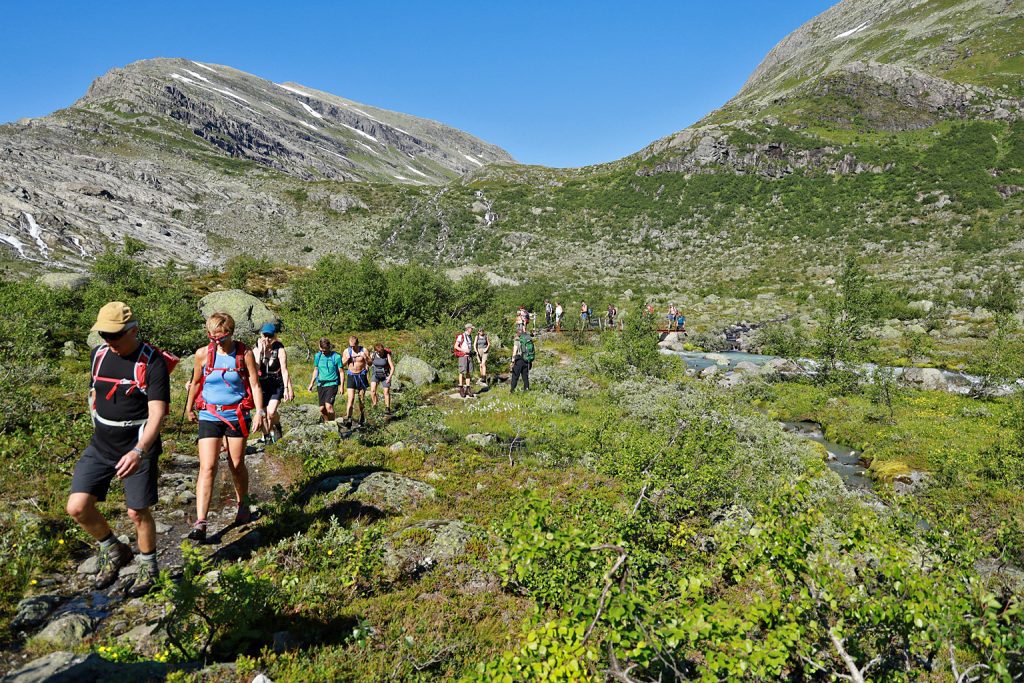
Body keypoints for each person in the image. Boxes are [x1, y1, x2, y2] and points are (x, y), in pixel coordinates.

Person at [67, 302, 171, 597]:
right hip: (101, 445)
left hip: (138, 447)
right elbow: (95, 394)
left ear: (133, 330)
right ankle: (114, 550)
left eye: (114, 335)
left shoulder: (152, 362)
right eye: (104, 335)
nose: (109, 341)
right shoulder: (98, 355)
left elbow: (157, 415)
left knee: (137, 512)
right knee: (77, 507)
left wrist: (139, 451)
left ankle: (148, 569)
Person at [184, 312, 264, 542]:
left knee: (236, 463)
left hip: (236, 414)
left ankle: (243, 503)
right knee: (207, 466)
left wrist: (259, 411)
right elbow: (197, 382)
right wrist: (190, 407)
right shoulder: (202, 354)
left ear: (230, 333)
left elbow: (255, 384)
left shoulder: (244, 353)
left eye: (220, 337)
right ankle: (201, 522)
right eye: (212, 337)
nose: (216, 341)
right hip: (209, 414)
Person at [254, 323, 292, 443]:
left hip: (276, 383)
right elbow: (255, 369)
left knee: (271, 412)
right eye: (265, 335)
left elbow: (285, 370)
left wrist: (287, 388)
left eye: (270, 336)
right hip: (262, 384)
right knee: (263, 413)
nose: (267, 339)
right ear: (261, 335)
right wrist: (261, 352)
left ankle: (277, 426)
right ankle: (267, 438)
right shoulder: (255, 349)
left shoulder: (279, 349)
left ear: (274, 336)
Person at [308, 338, 344, 423]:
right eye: (322, 350)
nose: (323, 352)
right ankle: (327, 423)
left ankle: (333, 426)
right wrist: (311, 383)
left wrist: (342, 386)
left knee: (329, 407)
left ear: (329, 347)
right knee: (322, 409)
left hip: (332, 383)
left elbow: (341, 372)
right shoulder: (318, 356)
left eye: (325, 350)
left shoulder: (336, 357)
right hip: (321, 384)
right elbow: (316, 369)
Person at [342, 336, 371, 428]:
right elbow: (341, 364)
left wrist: (365, 357)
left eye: (354, 346)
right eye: (351, 346)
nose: (352, 347)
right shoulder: (347, 351)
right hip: (351, 375)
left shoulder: (364, 350)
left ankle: (362, 416)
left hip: (361, 375)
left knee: (361, 399)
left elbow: (370, 363)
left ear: (357, 344)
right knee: (350, 399)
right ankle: (349, 418)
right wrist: (347, 359)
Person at [369, 343, 396, 415]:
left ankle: (387, 408)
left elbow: (392, 367)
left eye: (381, 352)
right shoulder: (373, 355)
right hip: (375, 374)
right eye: (378, 352)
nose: (380, 353)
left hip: (385, 375)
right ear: (375, 351)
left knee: (386, 392)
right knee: (372, 390)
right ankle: (375, 405)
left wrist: (389, 377)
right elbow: (368, 363)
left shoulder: (387, 355)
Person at [454, 324, 475, 398]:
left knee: (468, 372)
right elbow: (456, 346)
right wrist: (464, 350)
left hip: (469, 356)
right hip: (462, 356)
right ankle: (461, 388)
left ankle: (468, 389)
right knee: (462, 372)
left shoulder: (470, 336)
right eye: (471, 328)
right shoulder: (461, 336)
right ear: (468, 328)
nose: (472, 330)